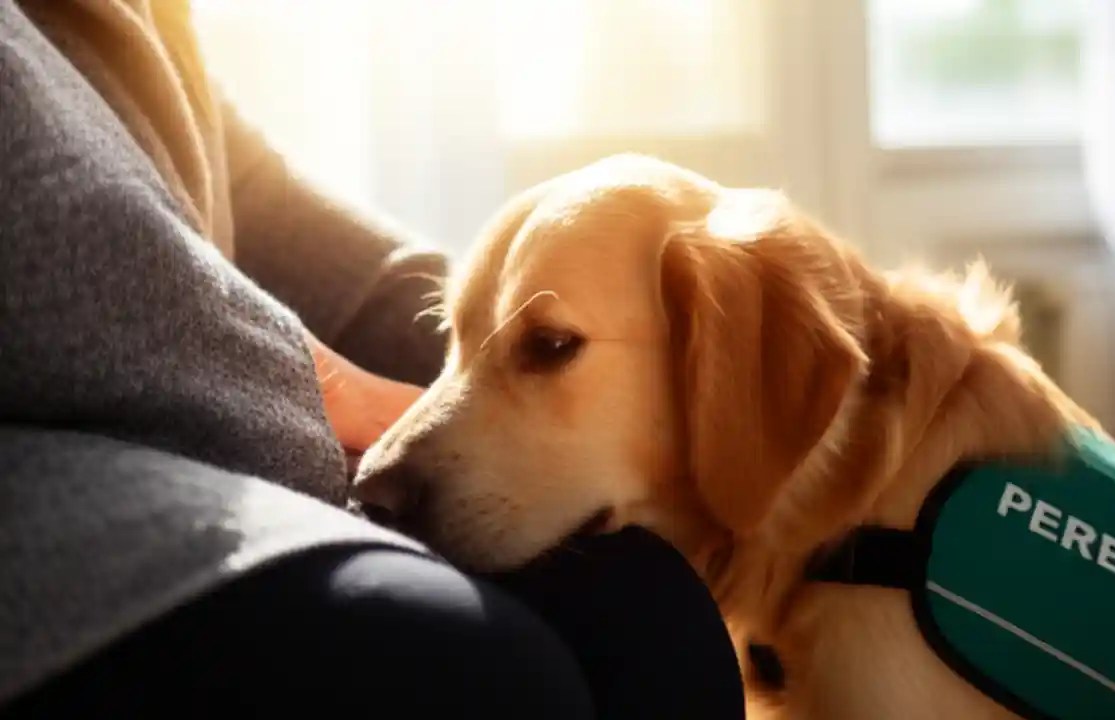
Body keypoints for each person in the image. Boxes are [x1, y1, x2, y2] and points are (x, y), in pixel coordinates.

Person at [0, 1, 744, 717]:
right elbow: (45, 238)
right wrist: (326, 386)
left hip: (210, 460)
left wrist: (489, 356)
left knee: (646, 606)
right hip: (50, 506)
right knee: (479, 670)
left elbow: (271, 213)